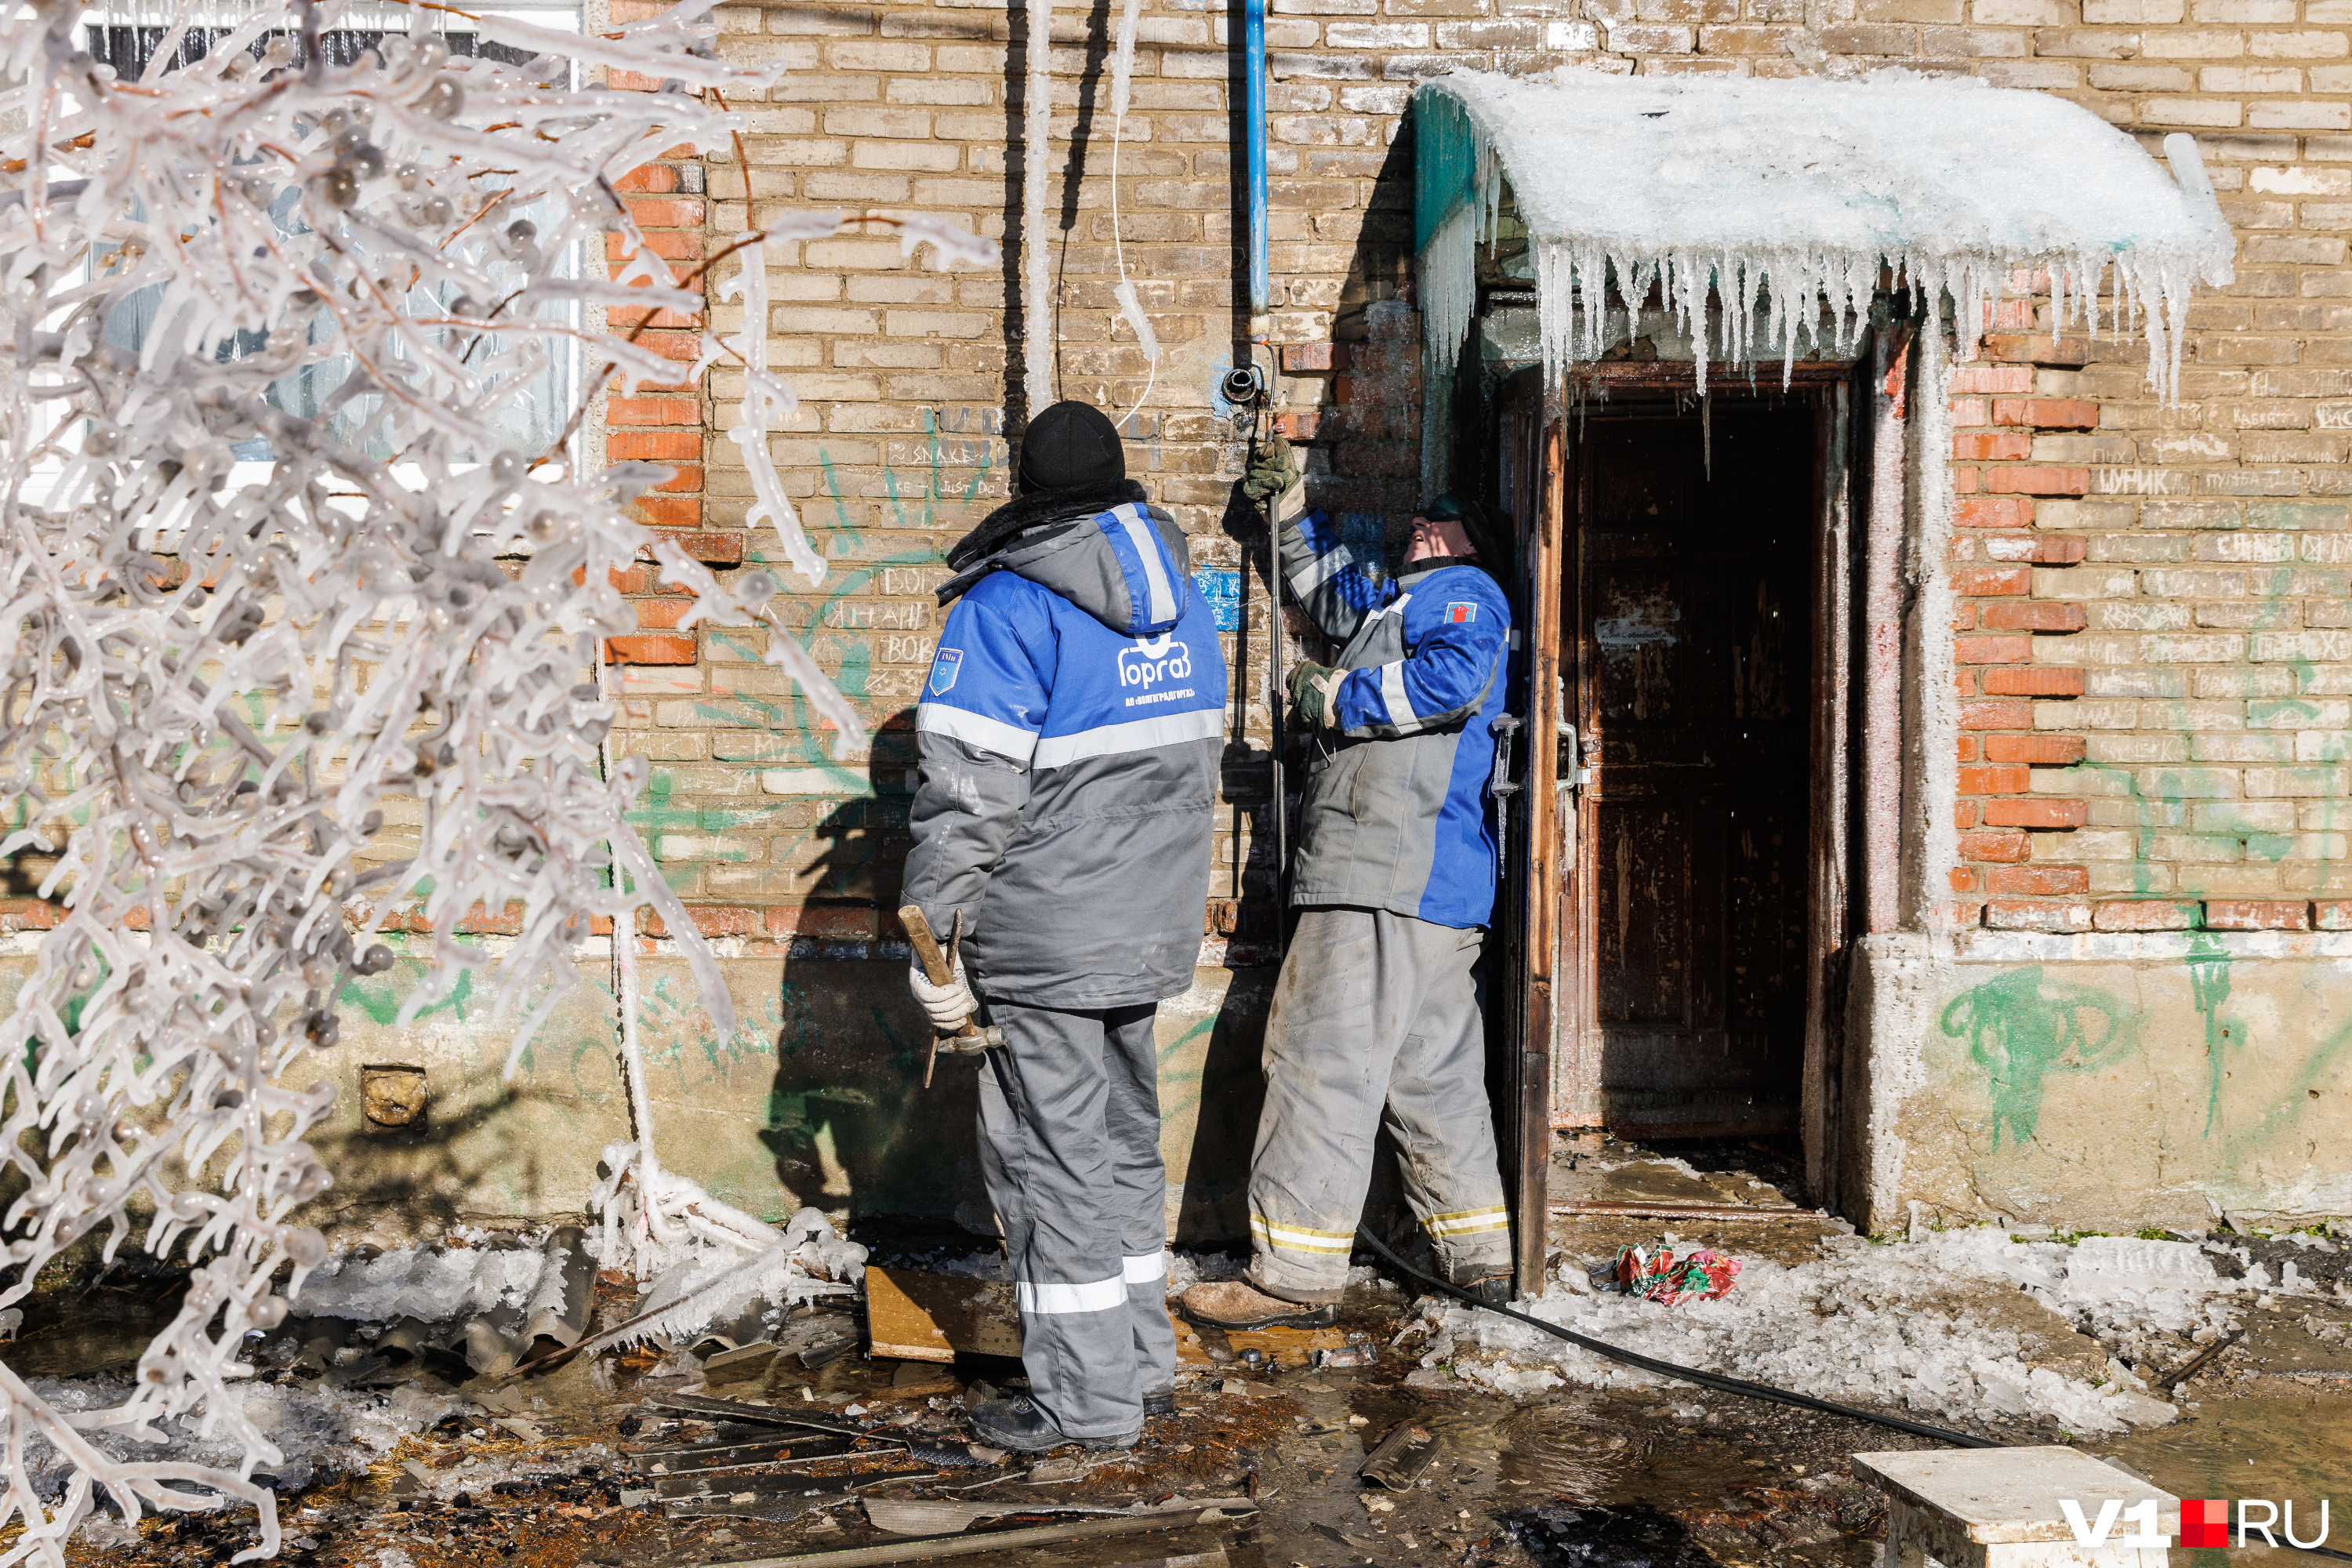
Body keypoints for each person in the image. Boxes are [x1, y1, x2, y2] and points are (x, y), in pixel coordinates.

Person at [898, 400, 1227, 1453]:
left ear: (1027, 486)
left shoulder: (1007, 606)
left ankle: (1084, 1404)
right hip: (1148, 928)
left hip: (1042, 940)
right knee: (1123, 1147)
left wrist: (935, 944)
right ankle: (1136, 1366)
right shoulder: (1186, 601)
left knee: (1052, 1164)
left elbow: (967, 798)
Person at [1184, 441, 1518, 1330]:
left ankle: (1291, 1275)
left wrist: (1336, 699)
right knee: (1432, 1077)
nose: (1418, 524)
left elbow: (1452, 680)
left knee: (1320, 1059)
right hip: (1432, 893)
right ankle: (1479, 1260)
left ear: (1470, 542)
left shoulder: (1465, 591)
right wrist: (1290, 510)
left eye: (1437, 519)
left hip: (1383, 873)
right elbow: (1336, 598)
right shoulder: (1402, 604)